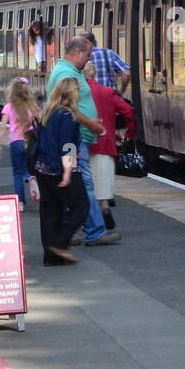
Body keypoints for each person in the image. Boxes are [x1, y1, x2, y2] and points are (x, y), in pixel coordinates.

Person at [46, 36, 120, 246]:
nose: (88, 60)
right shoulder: (64, 74)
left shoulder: (69, 72)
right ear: (78, 53)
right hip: (73, 139)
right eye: (87, 56)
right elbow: (68, 108)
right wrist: (92, 124)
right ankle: (93, 231)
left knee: (77, 184)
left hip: (77, 137)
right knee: (82, 184)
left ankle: (76, 230)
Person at [33, 78, 86, 266]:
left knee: (50, 211)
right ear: (73, 93)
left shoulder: (47, 112)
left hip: (42, 168)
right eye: (78, 90)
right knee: (81, 207)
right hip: (58, 169)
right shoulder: (68, 116)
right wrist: (67, 172)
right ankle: (59, 243)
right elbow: (68, 146)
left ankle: (51, 257)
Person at [82, 61, 137, 230]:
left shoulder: (76, 93)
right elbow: (129, 111)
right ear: (95, 74)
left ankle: (89, 219)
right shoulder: (107, 92)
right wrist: (129, 133)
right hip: (105, 141)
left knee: (85, 183)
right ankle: (104, 207)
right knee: (103, 181)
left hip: (82, 143)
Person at [0, 77, 40, 211]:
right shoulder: (31, 106)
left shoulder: (8, 107)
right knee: (30, 167)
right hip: (30, 141)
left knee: (17, 173)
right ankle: (31, 177)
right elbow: (40, 122)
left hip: (16, 143)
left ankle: (20, 203)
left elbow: (2, 127)